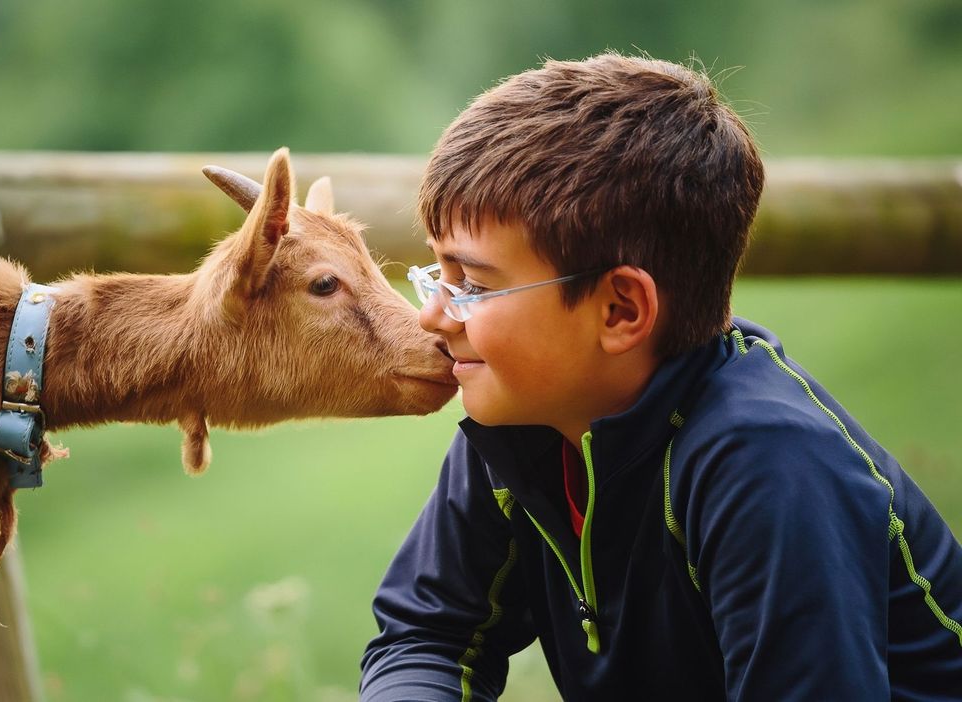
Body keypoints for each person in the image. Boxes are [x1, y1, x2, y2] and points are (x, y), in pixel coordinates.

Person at [359, 52, 962, 701]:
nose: (432, 316)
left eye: (473, 284)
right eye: (437, 274)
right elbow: (426, 634)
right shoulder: (524, 423)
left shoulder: (769, 465)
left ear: (621, 310)